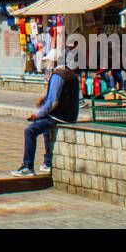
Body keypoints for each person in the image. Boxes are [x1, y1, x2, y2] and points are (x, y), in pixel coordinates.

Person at [13, 48, 79, 176]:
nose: (47, 64)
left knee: (30, 131)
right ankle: (48, 163)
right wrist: (44, 98)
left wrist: (37, 115)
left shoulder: (58, 75)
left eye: (49, 61)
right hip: (70, 115)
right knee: (46, 131)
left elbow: (51, 103)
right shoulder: (71, 74)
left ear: (54, 62)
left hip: (60, 116)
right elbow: (62, 95)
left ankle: (28, 166)